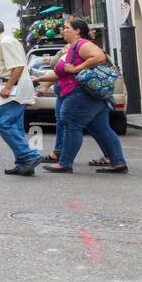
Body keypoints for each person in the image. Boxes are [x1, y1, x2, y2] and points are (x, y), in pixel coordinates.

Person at [35, 17, 128, 174]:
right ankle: (118, 162)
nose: (62, 30)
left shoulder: (81, 44)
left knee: (70, 124)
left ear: (77, 31)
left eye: (66, 28)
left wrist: (77, 68)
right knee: (100, 129)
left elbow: (99, 57)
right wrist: (39, 79)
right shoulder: (72, 47)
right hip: (90, 95)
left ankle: (65, 163)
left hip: (80, 94)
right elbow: (59, 73)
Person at [0, 19, 42, 176]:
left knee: (3, 123)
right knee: (16, 126)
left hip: (14, 90)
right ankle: (23, 164)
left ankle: (30, 156)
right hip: (14, 88)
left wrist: (7, 87)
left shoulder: (6, 42)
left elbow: (18, 67)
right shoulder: (6, 42)